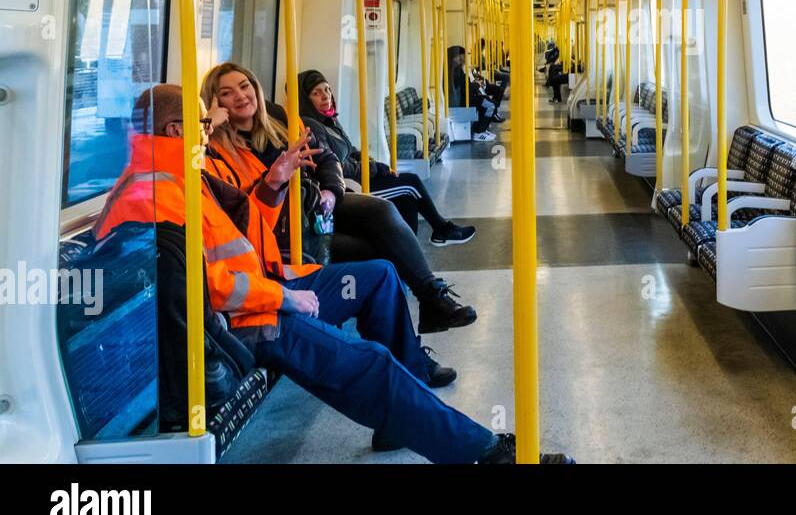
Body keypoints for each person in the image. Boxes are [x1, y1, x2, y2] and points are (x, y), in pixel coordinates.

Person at [97, 85, 571, 463]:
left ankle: (402, 413)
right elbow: (204, 288)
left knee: (380, 276)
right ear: (176, 129)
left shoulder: (175, 175)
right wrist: (284, 298)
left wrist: (276, 186)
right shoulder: (157, 196)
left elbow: (240, 242)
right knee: (370, 364)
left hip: (265, 289)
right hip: (243, 322)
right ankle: (481, 455)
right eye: (202, 123)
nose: (208, 130)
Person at [201, 62, 475, 338]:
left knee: (382, 210)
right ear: (215, 102)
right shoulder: (213, 151)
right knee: (380, 258)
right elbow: (225, 198)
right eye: (226, 93)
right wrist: (207, 125)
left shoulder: (281, 124)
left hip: (314, 206)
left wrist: (331, 191)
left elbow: (326, 158)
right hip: (284, 233)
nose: (240, 96)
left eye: (244, 86)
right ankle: (408, 350)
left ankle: (432, 296)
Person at [296, 69, 474, 246]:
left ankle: (409, 251)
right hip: (349, 186)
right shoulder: (311, 126)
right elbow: (336, 166)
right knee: (410, 182)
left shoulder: (330, 120)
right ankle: (440, 228)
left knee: (407, 197)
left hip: (359, 175)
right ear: (305, 99)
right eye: (316, 93)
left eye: (327, 90)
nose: (325, 96)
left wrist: (371, 162)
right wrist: (375, 169)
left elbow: (350, 150)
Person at [448, 46, 495, 141]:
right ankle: (479, 132)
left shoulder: (457, 69)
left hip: (464, 97)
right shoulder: (454, 71)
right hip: (461, 101)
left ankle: (482, 128)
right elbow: (465, 87)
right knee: (490, 105)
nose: (462, 59)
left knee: (487, 101)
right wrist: (476, 85)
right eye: (459, 56)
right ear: (453, 57)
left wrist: (474, 85)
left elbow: (465, 85)